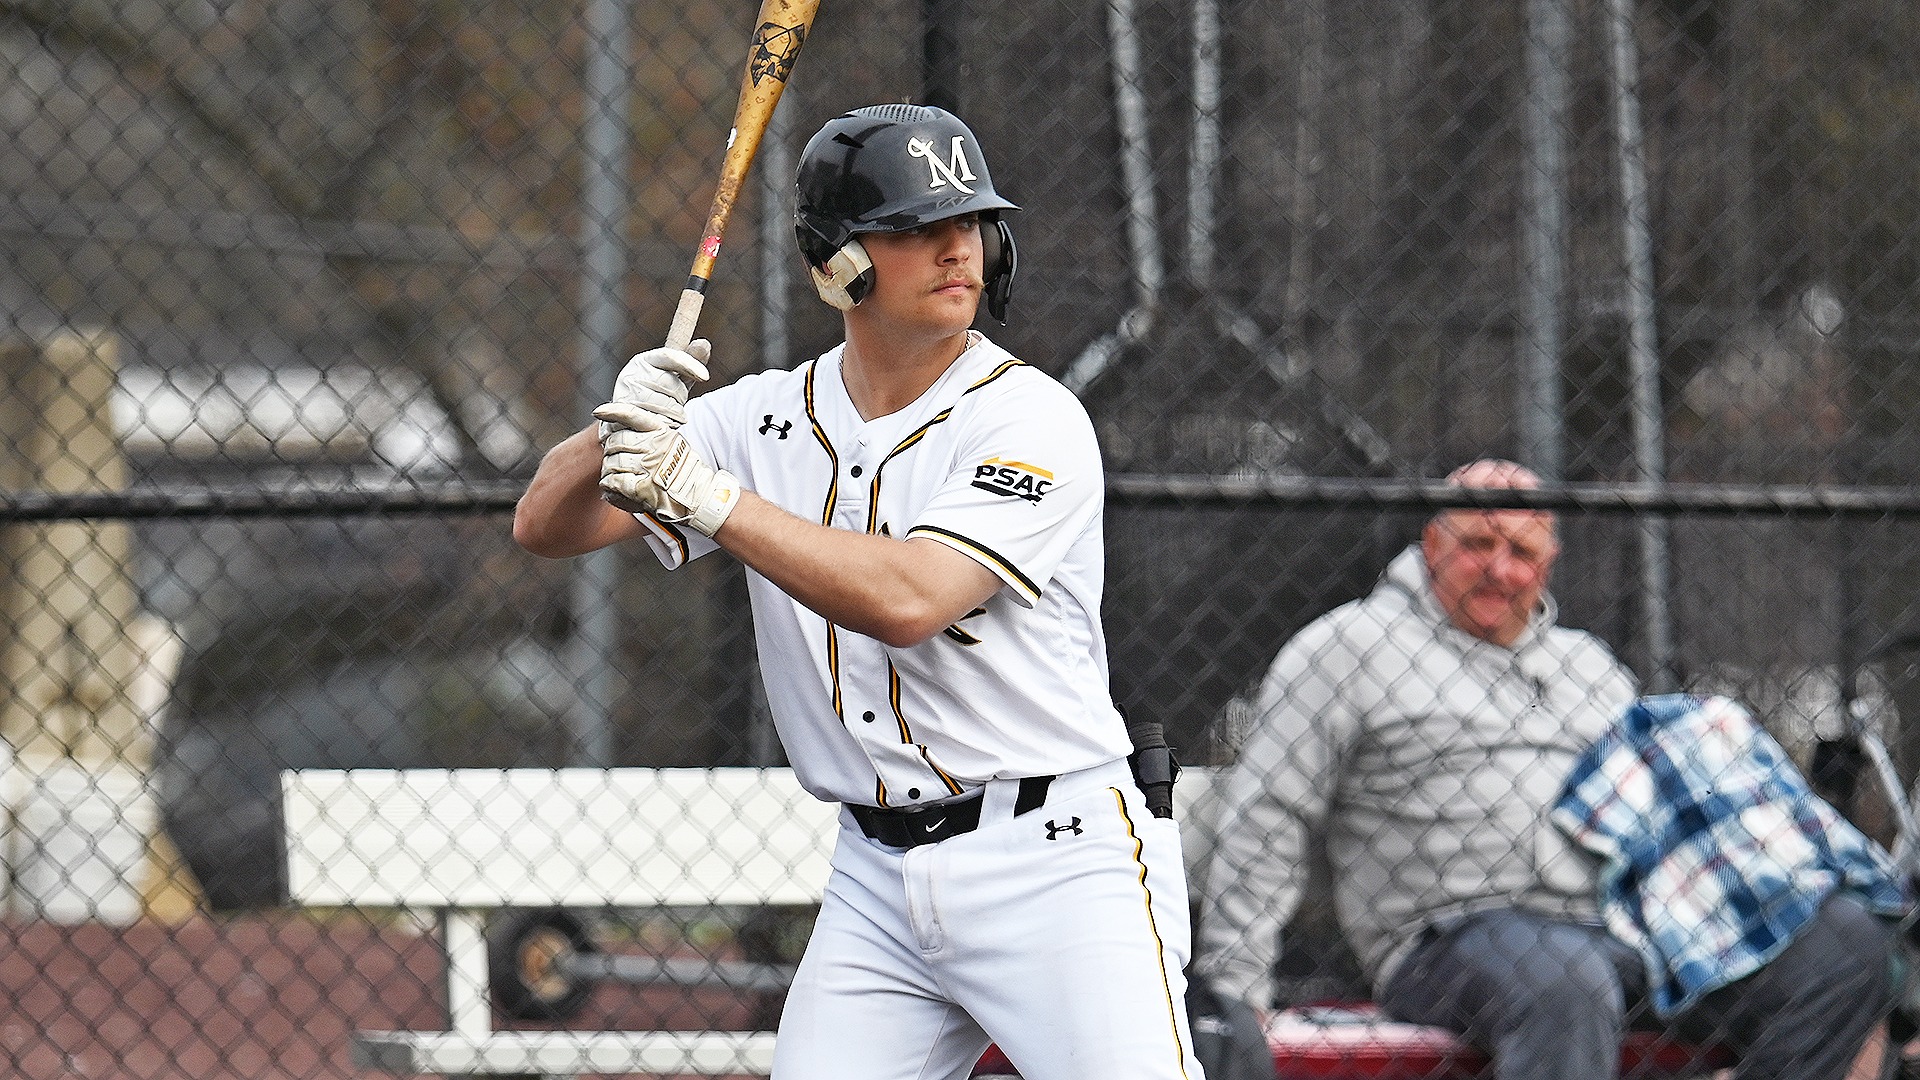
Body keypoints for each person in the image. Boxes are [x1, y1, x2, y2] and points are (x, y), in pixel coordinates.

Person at [514, 103, 1201, 1080]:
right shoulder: (762, 417)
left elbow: (910, 601)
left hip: (1056, 861)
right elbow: (545, 527)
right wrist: (613, 431)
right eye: (917, 228)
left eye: (970, 221)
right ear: (836, 264)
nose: (957, 249)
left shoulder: (1030, 418)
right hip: (877, 880)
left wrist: (711, 498)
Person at [1194, 459, 1902, 1080]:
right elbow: (1270, 810)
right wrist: (1237, 990)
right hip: (1453, 936)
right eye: (1477, 543)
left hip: (1628, 927)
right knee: (1567, 978)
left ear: (1549, 563)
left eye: (1522, 551)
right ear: (1431, 545)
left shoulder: (1586, 664)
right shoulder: (1348, 647)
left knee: (1848, 945)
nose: (1500, 569)